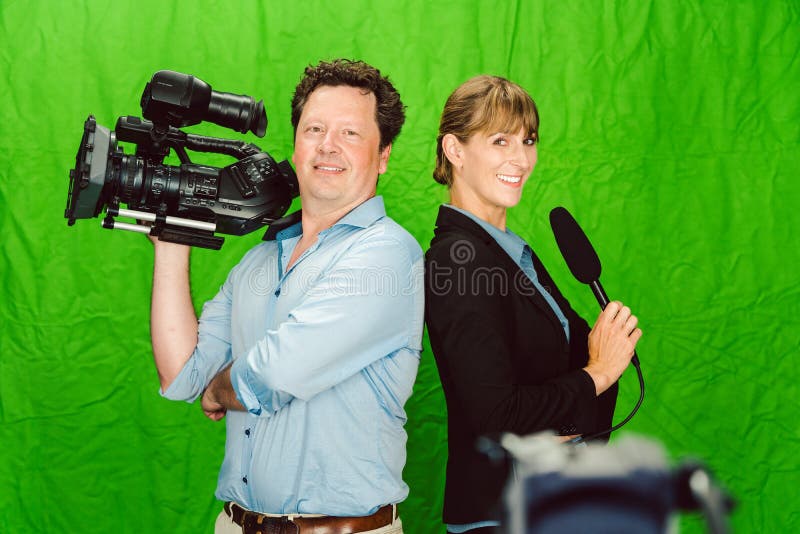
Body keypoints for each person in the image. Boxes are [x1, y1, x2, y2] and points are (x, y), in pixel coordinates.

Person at [150, 59, 423, 534]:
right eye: (314, 128)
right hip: (236, 524)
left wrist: (220, 389)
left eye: (351, 134)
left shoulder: (387, 255)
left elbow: (272, 376)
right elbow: (182, 376)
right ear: (296, 148)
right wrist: (173, 246)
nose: (328, 146)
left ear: (383, 156)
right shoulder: (257, 262)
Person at [424, 75, 642, 533]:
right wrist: (597, 374)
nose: (520, 159)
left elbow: (565, 384)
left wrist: (586, 386)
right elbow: (494, 415)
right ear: (455, 150)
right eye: (499, 140)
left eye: (528, 140)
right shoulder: (457, 260)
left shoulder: (512, 252)